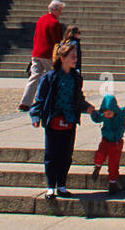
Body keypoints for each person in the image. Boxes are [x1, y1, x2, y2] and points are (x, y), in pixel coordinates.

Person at [29, 39, 93, 199]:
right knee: (52, 154)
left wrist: (88, 108)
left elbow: (78, 98)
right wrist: (35, 115)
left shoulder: (76, 78)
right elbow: (40, 98)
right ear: (62, 58)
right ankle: (51, 186)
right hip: (53, 120)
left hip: (70, 121)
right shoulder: (50, 77)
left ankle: (62, 185)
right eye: (72, 56)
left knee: (66, 155)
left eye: (75, 56)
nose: (75, 59)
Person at [20, 0, 66, 111]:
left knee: (34, 77)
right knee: (54, 77)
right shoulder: (54, 23)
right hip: (48, 54)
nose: (60, 13)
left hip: (37, 52)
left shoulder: (40, 20)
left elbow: (36, 36)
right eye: (60, 11)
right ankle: (54, 101)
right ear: (54, 10)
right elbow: (57, 41)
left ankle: (25, 102)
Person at [89, 91, 125, 194]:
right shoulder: (102, 116)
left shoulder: (120, 113)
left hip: (117, 143)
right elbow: (96, 118)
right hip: (105, 141)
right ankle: (97, 166)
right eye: (105, 114)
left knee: (114, 164)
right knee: (100, 155)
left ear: (114, 110)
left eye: (109, 113)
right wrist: (92, 112)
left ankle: (112, 183)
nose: (107, 116)